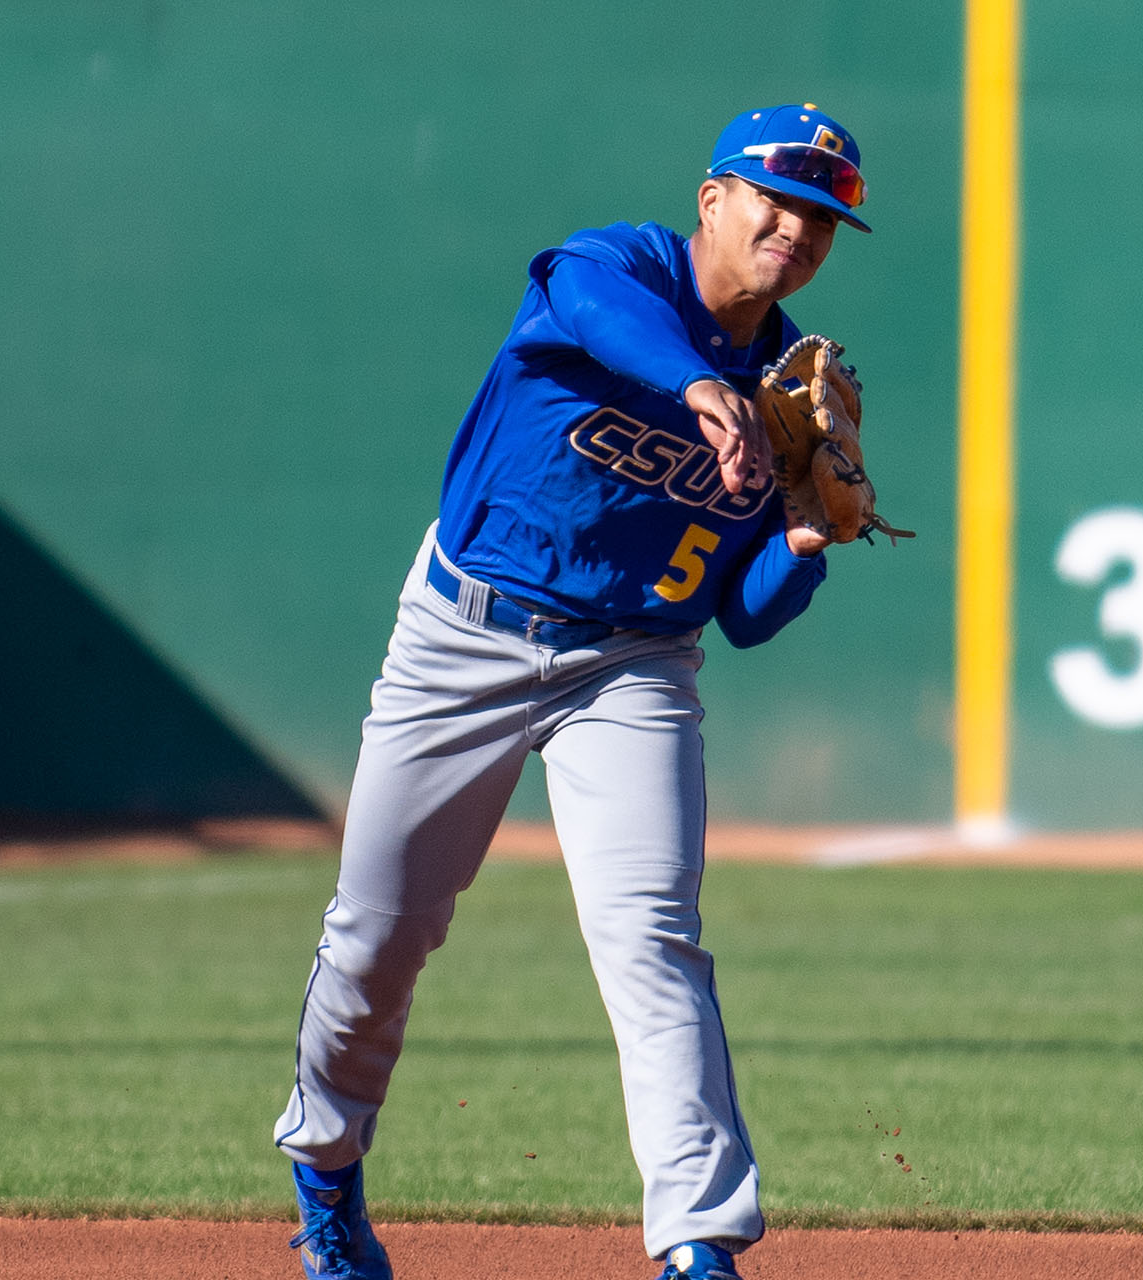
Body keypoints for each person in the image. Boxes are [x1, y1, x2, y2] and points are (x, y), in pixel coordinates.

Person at [272, 103, 873, 1280]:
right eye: (777, 200)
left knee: (654, 940)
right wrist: (706, 393)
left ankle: (699, 1244)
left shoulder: (795, 390)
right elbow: (597, 313)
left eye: (823, 219)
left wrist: (801, 536)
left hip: (632, 664)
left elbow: (741, 616)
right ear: (713, 200)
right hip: (463, 630)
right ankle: (327, 1172)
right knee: (378, 934)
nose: (797, 230)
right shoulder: (619, 268)